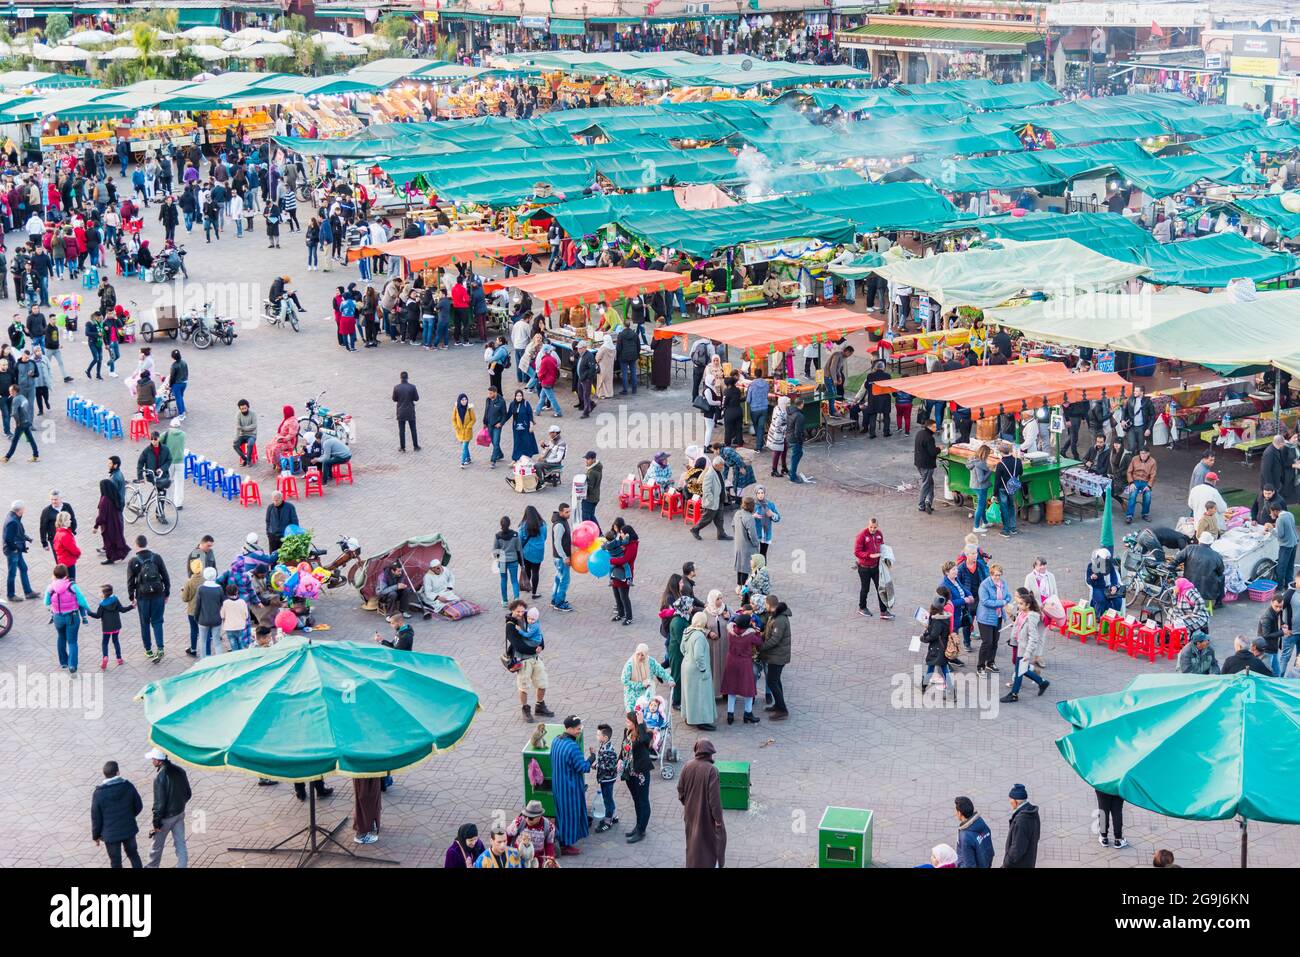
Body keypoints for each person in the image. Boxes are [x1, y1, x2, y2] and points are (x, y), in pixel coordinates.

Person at [678, 738, 726, 868]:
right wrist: (718, 819)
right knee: (709, 846)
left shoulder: (687, 766)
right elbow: (714, 799)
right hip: (706, 817)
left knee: (693, 842)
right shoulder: (711, 771)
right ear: (709, 753)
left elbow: (680, 789)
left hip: (690, 814)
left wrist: (687, 803)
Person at [550, 715, 595, 855]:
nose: (579, 731)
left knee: (561, 815)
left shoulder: (556, 740)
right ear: (569, 728)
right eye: (577, 729)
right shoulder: (572, 747)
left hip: (558, 786)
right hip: (569, 789)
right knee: (570, 816)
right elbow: (583, 767)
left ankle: (559, 839)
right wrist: (592, 757)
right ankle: (565, 845)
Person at [91, 760, 145, 869]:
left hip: (110, 835)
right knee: (133, 855)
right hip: (128, 829)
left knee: (115, 862)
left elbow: (96, 818)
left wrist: (96, 836)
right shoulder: (128, 786)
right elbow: (139, 806)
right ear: (118, 772)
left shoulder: (99, 793)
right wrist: (130, 816)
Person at [1000, 589, 1050, 703]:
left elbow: (1034, 637)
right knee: (1022, 670)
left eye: (1021, 604)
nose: (1019, 605)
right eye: (1019, 603)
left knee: (1019, 671)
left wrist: (1028, 653)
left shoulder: (1031, 617)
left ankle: (1014, 694)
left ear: (1028, 605)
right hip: (1018, 645)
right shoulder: (1022, 613)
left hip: (1024, 649)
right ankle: (1042, 682)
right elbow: (1017, 626)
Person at [146, 747, 191, 868]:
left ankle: (151, 866)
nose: (152, 761)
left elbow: (159, 804)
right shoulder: (180, 770)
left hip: (166, 818)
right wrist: (179, 805)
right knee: (180, 844)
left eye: (153, 759)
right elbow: (188, 794)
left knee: (157, 846)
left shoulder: (160, 777)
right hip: (179, 814)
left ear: (159, 761)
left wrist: (156, 823)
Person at [127, 535, 169, 662]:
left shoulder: (133, 561)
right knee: (157, 622)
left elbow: (130, 582)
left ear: (136, 545)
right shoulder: (156, 558)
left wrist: (131, 597)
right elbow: (165, 576)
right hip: (158, 596)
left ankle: (148, 650)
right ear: (146, 543)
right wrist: (166, 593)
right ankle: (160, 648)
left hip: (142, 597)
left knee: (144, 624)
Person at [680, 611, 717, 730]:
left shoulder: (687, 631)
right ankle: (702, 721)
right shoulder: (699, 636)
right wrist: (703, 669)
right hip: (696, 670)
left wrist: (688, 657)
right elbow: (698, 656)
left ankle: (689, 717)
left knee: (689, 695)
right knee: (701, 695)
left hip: (686, 666)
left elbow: (682, 648)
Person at [1172, 533, 1225, 610]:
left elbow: (1176, 561)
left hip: (1189, 585)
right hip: (1207, 591)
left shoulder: (1189, 548)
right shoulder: (1217, 556)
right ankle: (1218, 602)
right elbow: (1221, 571)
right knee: (1222, 577)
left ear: (1199, 541)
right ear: (1211, 543)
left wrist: (1172, 567)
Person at [759, 593, 791, 720]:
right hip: (775, 655)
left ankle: (782, 710)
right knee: (776, 681)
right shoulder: (774, 616)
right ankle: (778, 705)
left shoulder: (779, 620)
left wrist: (761, 647)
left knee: (772, 682)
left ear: (768, 604)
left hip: (778, 656)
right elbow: (768, 632)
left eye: (765, 604)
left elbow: (775, 639)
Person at [854, 517, 893, 619]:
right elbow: (857, 552)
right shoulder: (862, 536)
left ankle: (883, 611)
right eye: (871, 527)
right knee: (865, 589)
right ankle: (862, 607)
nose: (873, 529)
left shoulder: (879, 534)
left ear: (877, 526)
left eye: (875, 527)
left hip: (876, 567)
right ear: (868, 525)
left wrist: (886, 557)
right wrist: (869, 555)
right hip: (864, 568)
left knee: (881, 588)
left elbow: (882, 547)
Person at [690, 457, 730, 541]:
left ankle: (721, 534)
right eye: (721, 466)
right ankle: (695, 529)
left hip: (719, 499)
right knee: (707, 519)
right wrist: (712, 500)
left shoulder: (718, 471)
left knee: (720, 519)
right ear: (716, 465)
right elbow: (706, 490)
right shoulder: (710, 474)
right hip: (713, 501)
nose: (723, 467)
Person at [3, 500, 37, 601]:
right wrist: (15, 549)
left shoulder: (14, 517)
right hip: (13, 552)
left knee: (23, 568)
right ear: (19, 511)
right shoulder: (13, 521)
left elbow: (17, 533)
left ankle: (28, 592)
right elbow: (8, 539)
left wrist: (26, 538)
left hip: (16, 550)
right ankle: (11, 595)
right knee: (12, 573)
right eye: (23, 509)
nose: (24, 510)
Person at [1002, 783, 1040, 869]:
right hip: (1029, 860)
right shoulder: (1032, 812)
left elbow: (1017, 849)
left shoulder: (1022, 820)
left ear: (1015, 801)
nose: (1010, 802)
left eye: (1010, 800)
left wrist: (1006, 863)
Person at [954, 796, 994, 868]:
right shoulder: (982, 823)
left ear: (960, 813)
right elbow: (990, 851)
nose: (955, 813)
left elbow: (969, 865)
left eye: (956, 811)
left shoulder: (965, 836)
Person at [1087, 548, 1123, 620]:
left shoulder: (1110, 566)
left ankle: (1114, 617)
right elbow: (1088, 581)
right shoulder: (1091, 566)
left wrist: (1114, 586)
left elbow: (1114, 577)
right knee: (1101, 600)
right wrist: (1092, 577)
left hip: (1108, 587)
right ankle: (1100, 618)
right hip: (1098, 587)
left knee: (1118, 598)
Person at [1124, 446, 1157, 524]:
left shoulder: (1152, 462)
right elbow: (1129, 472)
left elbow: (1153, 475)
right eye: (1141, 453)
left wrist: (1149, 486)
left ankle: (1145, 514)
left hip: (1145, 482)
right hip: (1135, 481)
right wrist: (1131, 483)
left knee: (1148, 495)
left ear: (1148, 454)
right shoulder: (1134, 459)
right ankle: (1129, 515)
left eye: (1145, 453)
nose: (1143, 455)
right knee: (1133, 494)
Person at [550, 502, 574, 611]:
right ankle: (559, 603)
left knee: (558, 578)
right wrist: (565, 557)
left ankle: (554, 599)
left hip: (559, 557)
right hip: (561, 558)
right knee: (564, 580)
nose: (569, 514)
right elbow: (557, 543)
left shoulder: (563, 521)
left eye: (569, 511)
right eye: (566, 512)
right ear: (560, 512)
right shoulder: (559, 525)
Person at [1267, 501, 1297, 586]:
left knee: (1281, 567)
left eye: (1271, 512)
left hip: (1286, 545)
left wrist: (1270, 529)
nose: (1271, 514)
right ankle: (1289, 584)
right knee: (1290, 566)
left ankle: (1279, 586)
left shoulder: (1280, 519)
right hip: (1294, 543)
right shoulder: (1289, 514)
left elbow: (1280, 535)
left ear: (1275, 511)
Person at [493, 516, 521, 606]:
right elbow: (519, 549)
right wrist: (522, 564)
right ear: (509, 524)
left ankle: (505, 601)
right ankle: (516, 599)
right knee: (514, 580)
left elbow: (494, 551)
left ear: (501, 524)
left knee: (503, 580)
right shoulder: (515, 535)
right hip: (513, 560)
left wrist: (498, 557)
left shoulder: (497, 536)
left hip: (502, 561)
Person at [914, 415, 939, 513]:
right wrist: (939, 449)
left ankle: (928, 501)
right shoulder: (929, 438)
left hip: (919, 463)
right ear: (929, 427)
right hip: (927, 464)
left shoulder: (919, 433)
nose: (936, 428)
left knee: (929, 483)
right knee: (926, 484)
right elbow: (932, 452)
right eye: (934, 427)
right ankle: (921, 504)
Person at [1120, 385, 1156, 453]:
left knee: (1141, 448)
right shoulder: (1131, 399)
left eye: (1136, 391)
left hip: (1142, 428)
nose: (1134, 392)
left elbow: (1152, 416)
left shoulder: (1148, 402)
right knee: (1132, 447)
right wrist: (1122, 420)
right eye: (1134, 390)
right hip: (1131, 427)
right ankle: (1131, 460)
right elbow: (1125, 410)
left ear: (1142, 392)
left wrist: (1149, 428)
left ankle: (1138, 460)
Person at [392, 371, 420, 452]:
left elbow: (394, 399)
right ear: (407, 378)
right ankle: (415, 446)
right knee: (413, 429)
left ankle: (402, 447)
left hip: (401, 411)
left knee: (401, 430)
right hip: (410, 411)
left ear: (400, 378)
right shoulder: (412, 387)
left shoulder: (396, 387)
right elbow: (416, 398)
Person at [786, 397, 808, 484]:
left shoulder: (790, 412)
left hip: (789, 436)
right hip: (795, 439)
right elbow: (797, 431)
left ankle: (791, 471)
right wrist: (800, 440)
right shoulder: (799, 416)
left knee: (798, 454)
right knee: (796, 456)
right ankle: (793, 476)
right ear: (801, 404)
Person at [451, 392, 476, 469]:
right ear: (459, 401)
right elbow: (453, 419)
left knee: (464, 446)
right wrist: (456, 427)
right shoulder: (456, 408)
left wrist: (468, 426)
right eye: (462, 400)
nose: (464, 401)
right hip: (460, 432)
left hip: (467, 432)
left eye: (465, 399)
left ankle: (462, 461)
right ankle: (468, 459)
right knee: (465, 446)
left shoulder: (469, 409)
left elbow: (474, 419)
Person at [233, 399, 258, 467]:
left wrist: (243, 428)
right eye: (242, 409)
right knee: (235, 445)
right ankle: (245, 459)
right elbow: (238, 427)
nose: (244, 410)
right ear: (240, 409)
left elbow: (254, 426)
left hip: (252, 435)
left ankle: (249, 461)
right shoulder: (238, 415)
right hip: (242, 435)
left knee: (250, 444)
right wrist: (236, 438)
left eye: (245, 408)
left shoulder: (253, 414)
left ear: (248, 407)